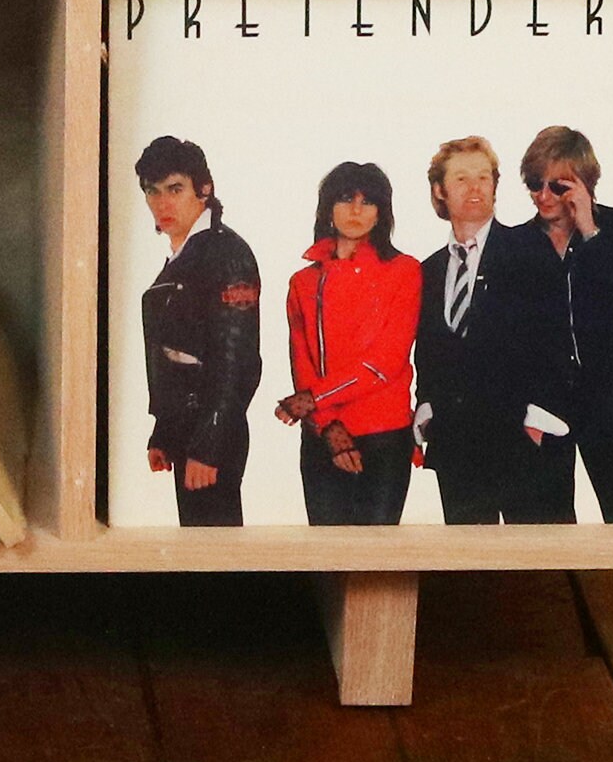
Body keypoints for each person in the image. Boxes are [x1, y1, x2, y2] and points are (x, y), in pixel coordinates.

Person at [413, 137, 577, 523]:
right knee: (471, 568)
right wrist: (427, 408)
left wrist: (538, 421)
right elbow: (430, 351)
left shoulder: (532, 248)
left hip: (524, 438)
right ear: (440, 190)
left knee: (542, 565)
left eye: (483, 177)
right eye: (462, 178)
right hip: (457, 443)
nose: (475, 188)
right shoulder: (429, 270)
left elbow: (558, 337)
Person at [276, 162, 423, 524]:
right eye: (346, 199)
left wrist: (314, 400)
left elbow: (384, 362)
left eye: (368, 201)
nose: (356, 210)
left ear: (382, 213)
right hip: (322, 435)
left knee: (376, 559)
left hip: (384, 437)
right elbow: (302, 363)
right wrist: (328, 426)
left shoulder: (404, 271)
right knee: (327, 559)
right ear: (328, 207)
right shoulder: (303, 282)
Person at [522, 125, 613, 523]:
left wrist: (589, 231)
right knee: (549, 516)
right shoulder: (517, 243)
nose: (543, 195)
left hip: (605, 388)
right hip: (545, 397)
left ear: (584, 184)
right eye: (533, 183)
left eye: (557, 186)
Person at [134, 136, 264, 526]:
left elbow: (236, 360)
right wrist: (163, 430)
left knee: (216, 558)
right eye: (152, 192)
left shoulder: (226, 255)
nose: (162, 203)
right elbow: (175, 353)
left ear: (203, 190)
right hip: (186, 429)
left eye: (175, 189)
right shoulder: (185, 255)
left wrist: (209, 445)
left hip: (212, 432)